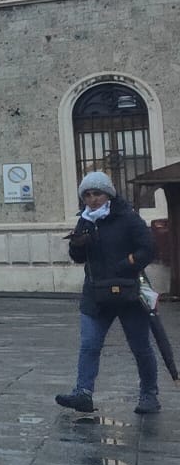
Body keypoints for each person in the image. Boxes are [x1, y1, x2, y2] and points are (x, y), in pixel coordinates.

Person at [56, 171, 161, 415]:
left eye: (97, 194)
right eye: (87, 195)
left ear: (108, 194)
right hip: (96, 295)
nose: (92, 199)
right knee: (89, 345)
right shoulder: (84, 220)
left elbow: (148, 248)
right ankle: (83, 393)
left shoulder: (128, 218)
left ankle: (149, 394)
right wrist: (76, 245)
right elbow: (78, 258)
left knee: (140, 347)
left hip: (130, 294)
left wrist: (126, 264)